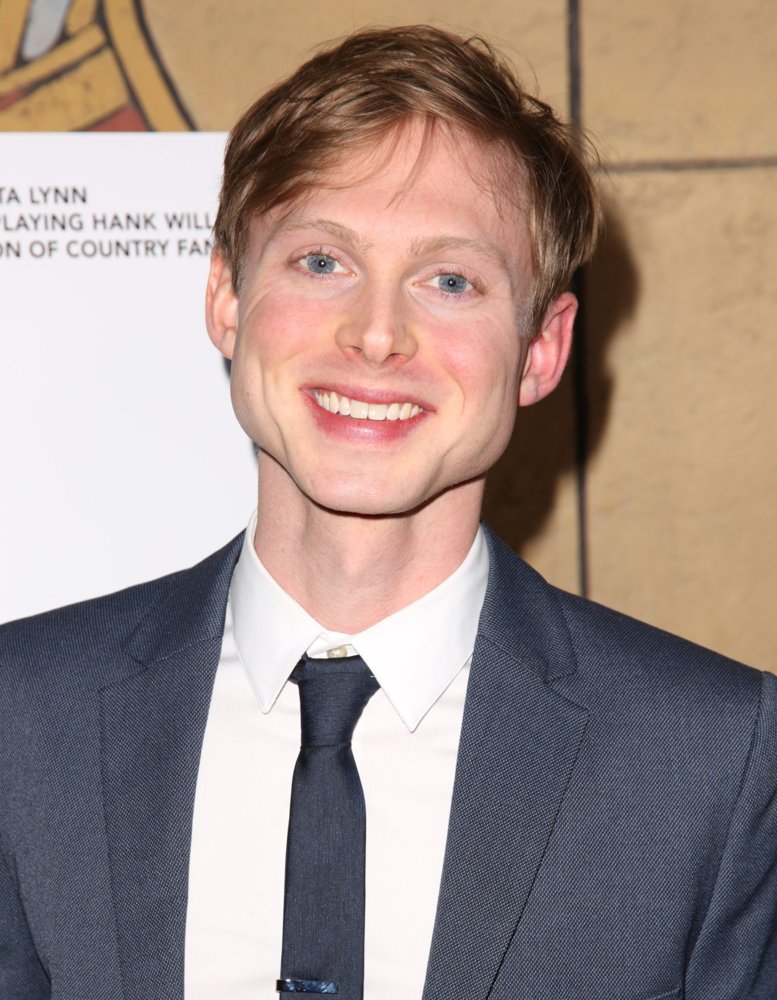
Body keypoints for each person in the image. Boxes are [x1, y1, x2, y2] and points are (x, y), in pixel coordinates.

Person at [1, 24, 775, 1000]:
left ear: (542, 349)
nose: (375, 334)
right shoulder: (21, 720)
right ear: (226, 299)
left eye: (449, 280)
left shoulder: (714, 758)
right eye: (323, 261)